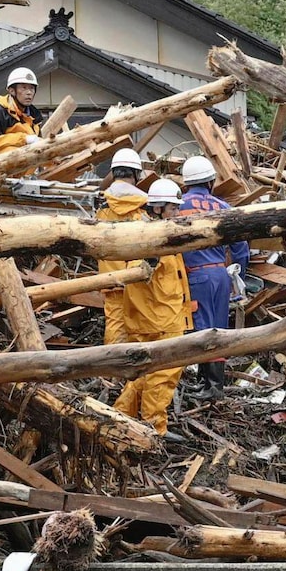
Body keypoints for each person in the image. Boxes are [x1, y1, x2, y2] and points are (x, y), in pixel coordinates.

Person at [96, 175, 192, 433]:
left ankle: (119, 418)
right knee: (163, 376)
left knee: (141, 375)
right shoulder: (153, 237)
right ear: (158, 209)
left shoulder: (147, 230)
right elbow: (142, 269)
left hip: (152, 316)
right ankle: (153, 429)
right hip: (161, 320)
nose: (178, 214)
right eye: (173, 208)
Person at [174, 156, 247, 395]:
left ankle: (210, 386)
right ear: (210, 182)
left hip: (195, 277)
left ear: (186, 183)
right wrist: (238, 277)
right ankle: (212, 384)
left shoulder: (178, 207)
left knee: (203, 330)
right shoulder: (223, 207)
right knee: (219, 328)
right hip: (220, 275)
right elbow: (240, 248)